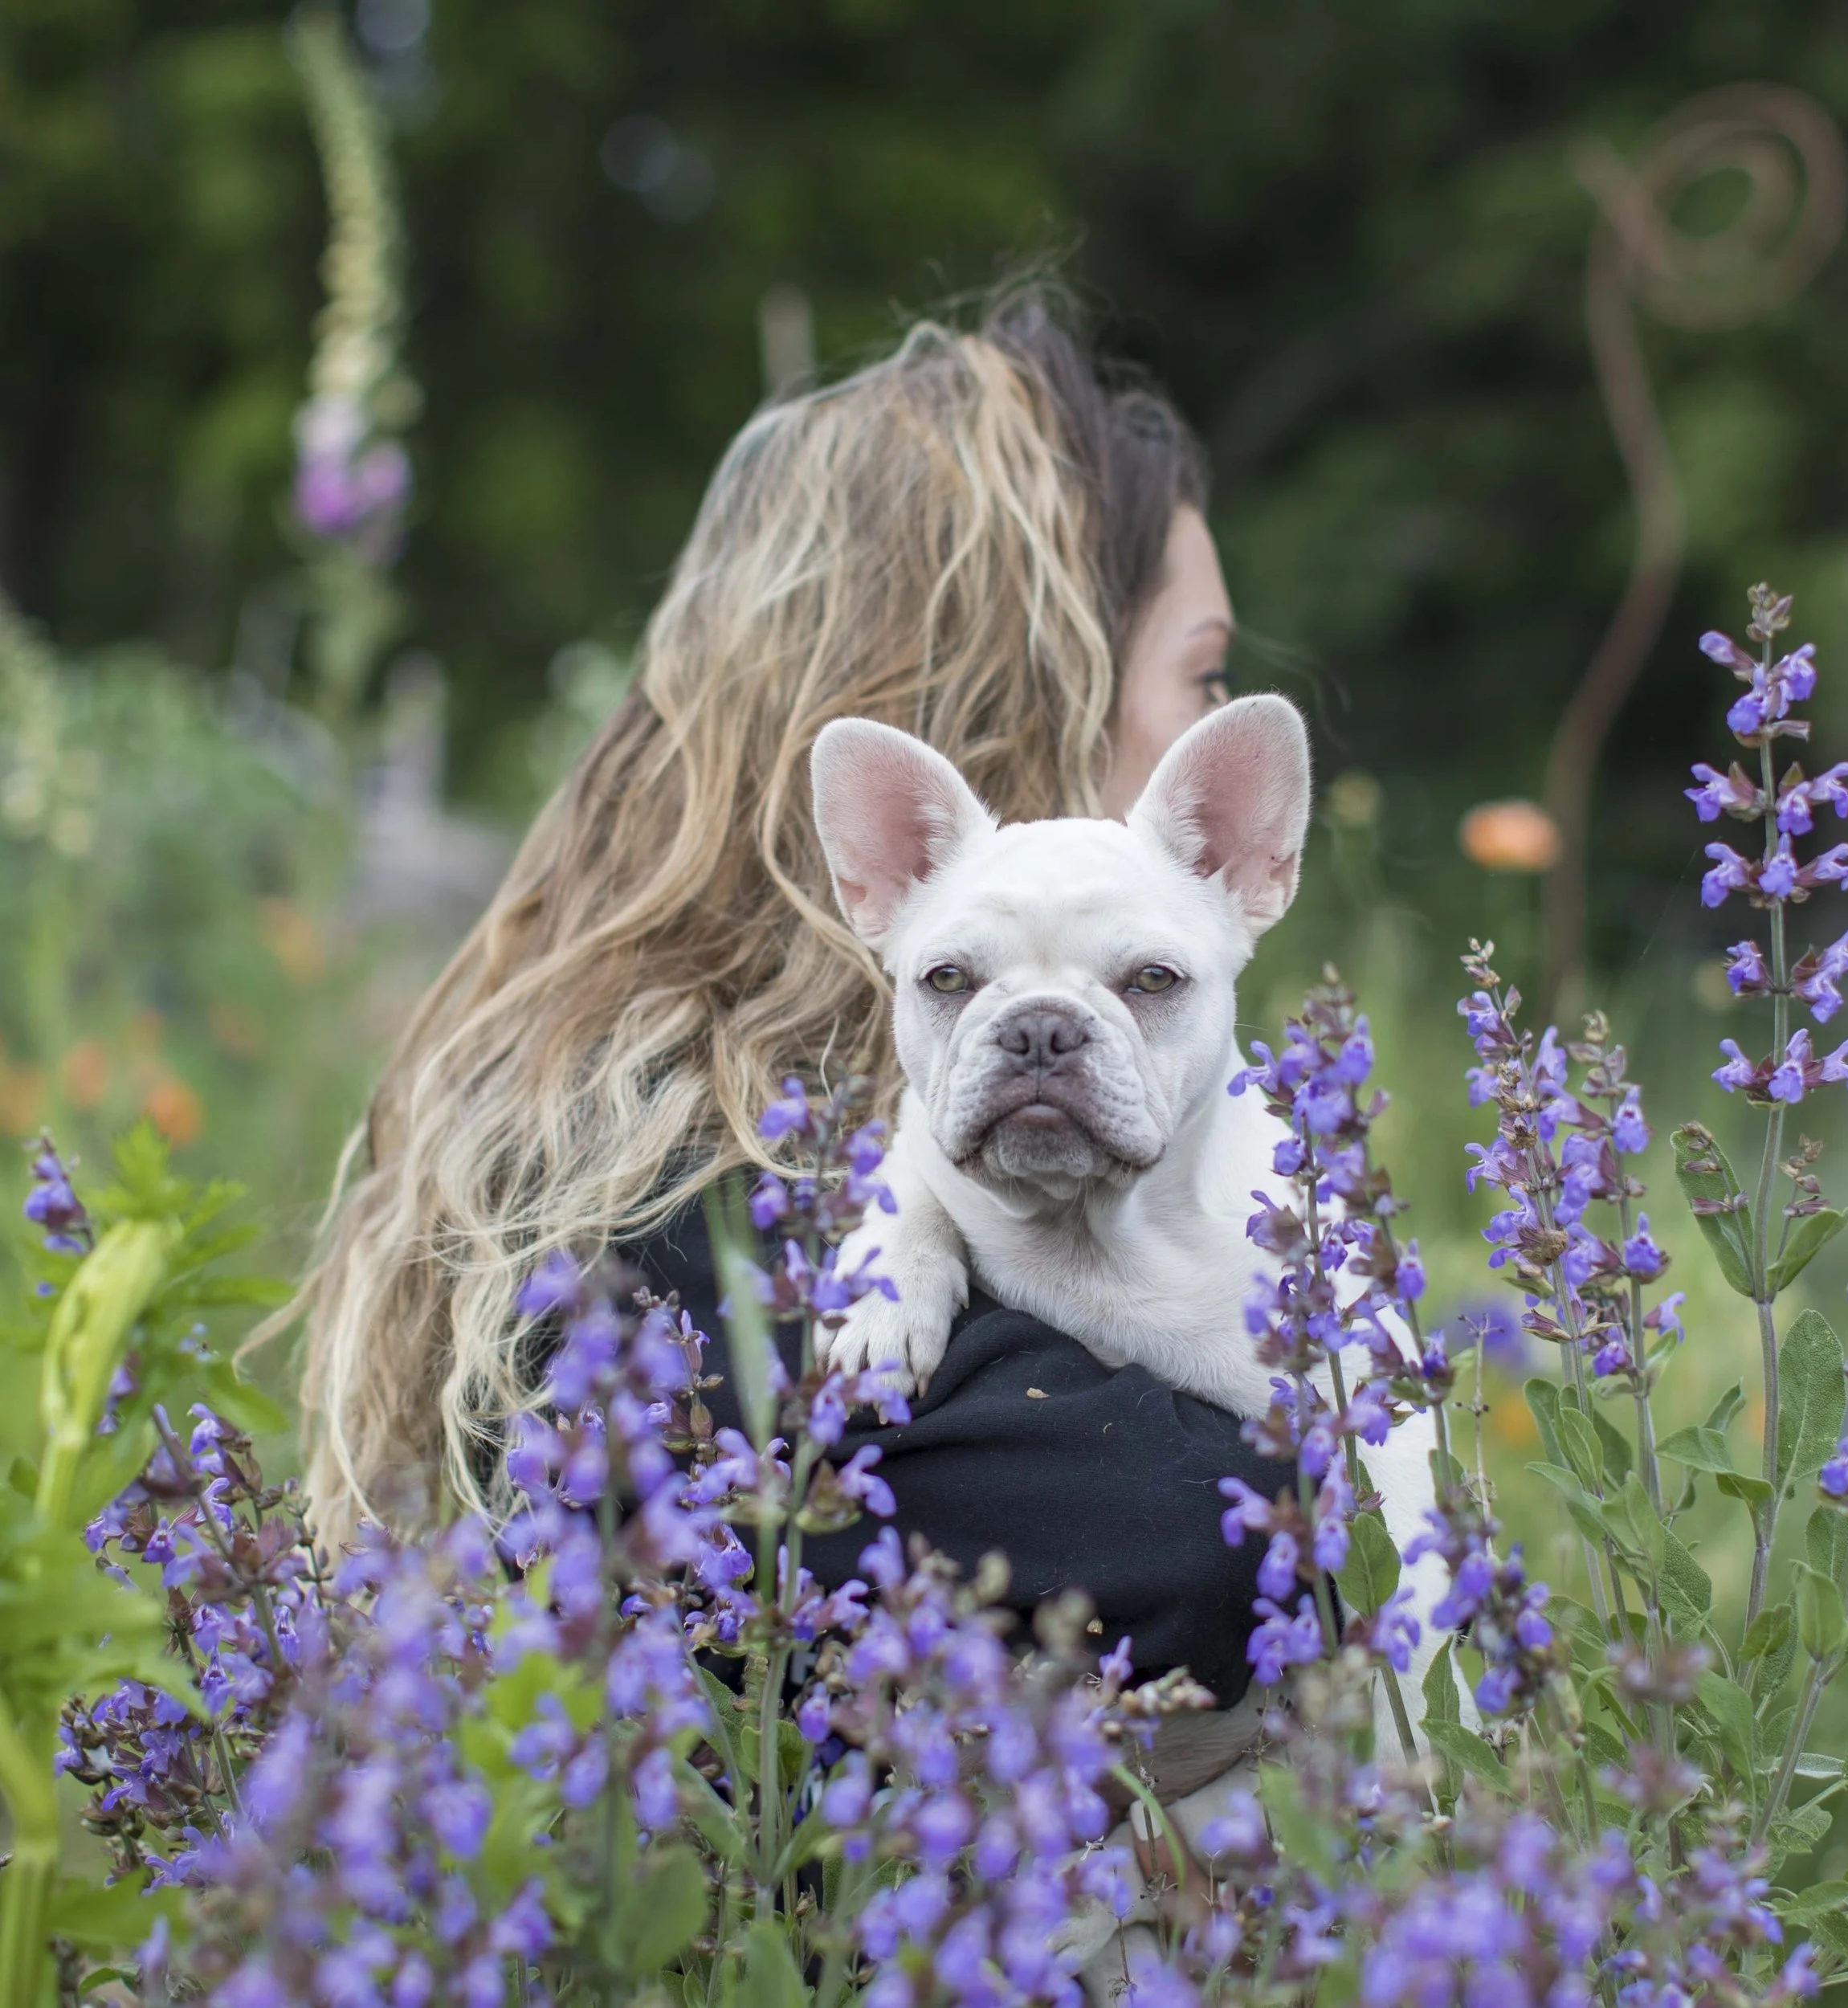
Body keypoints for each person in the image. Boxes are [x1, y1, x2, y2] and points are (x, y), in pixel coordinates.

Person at [289, 289, 1284, 1713]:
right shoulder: (672, 1200)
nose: (1216, 730)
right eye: (1201, 675)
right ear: (1023, 685)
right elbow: (1195, 1542)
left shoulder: (632, 1099)